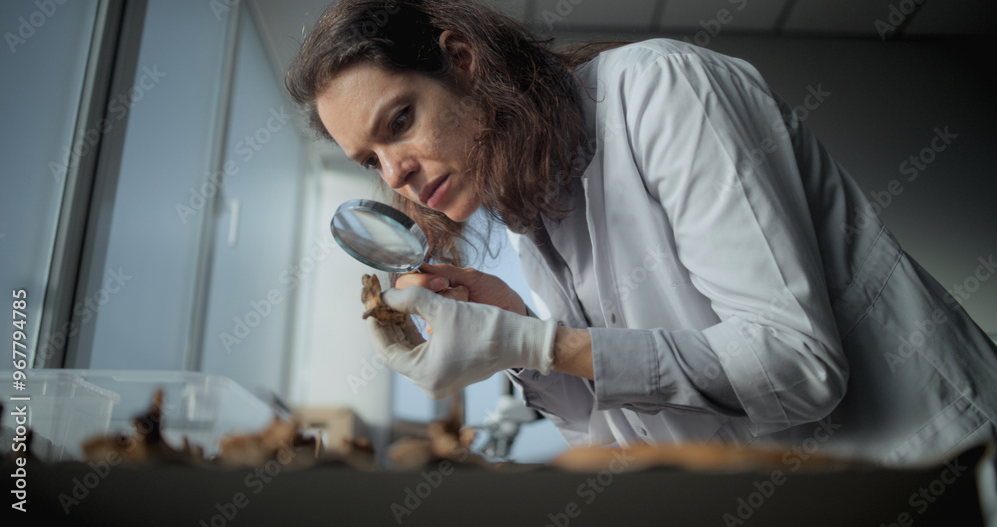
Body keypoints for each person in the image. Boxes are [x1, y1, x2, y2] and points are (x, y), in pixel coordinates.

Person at [286, 0, 997, 469]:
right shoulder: (530, 206)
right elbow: (617, 432)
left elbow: (798, 367)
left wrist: (547, 344)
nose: (396, 172)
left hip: (937, 464)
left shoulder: (662, 91)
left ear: (464, 62)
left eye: (400, 121)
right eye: (370, 161)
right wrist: (520, 338)